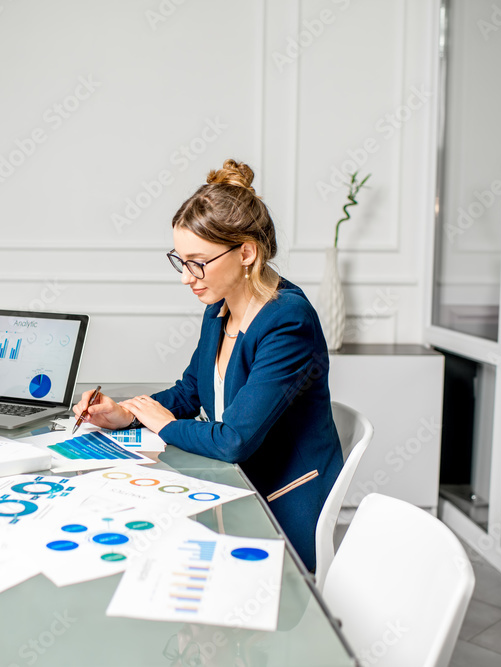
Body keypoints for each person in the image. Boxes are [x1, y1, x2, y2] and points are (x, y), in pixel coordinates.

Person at [73, 159, 342, 570]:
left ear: (246, 252)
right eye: (180, 261)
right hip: (232, 486)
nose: (186, 277)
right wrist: (124, 413)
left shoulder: (288, 320)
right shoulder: (219, 308)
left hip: (279, 507)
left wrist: (162, 424)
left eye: (197, 261)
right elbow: (191, 390)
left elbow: (234, 439)